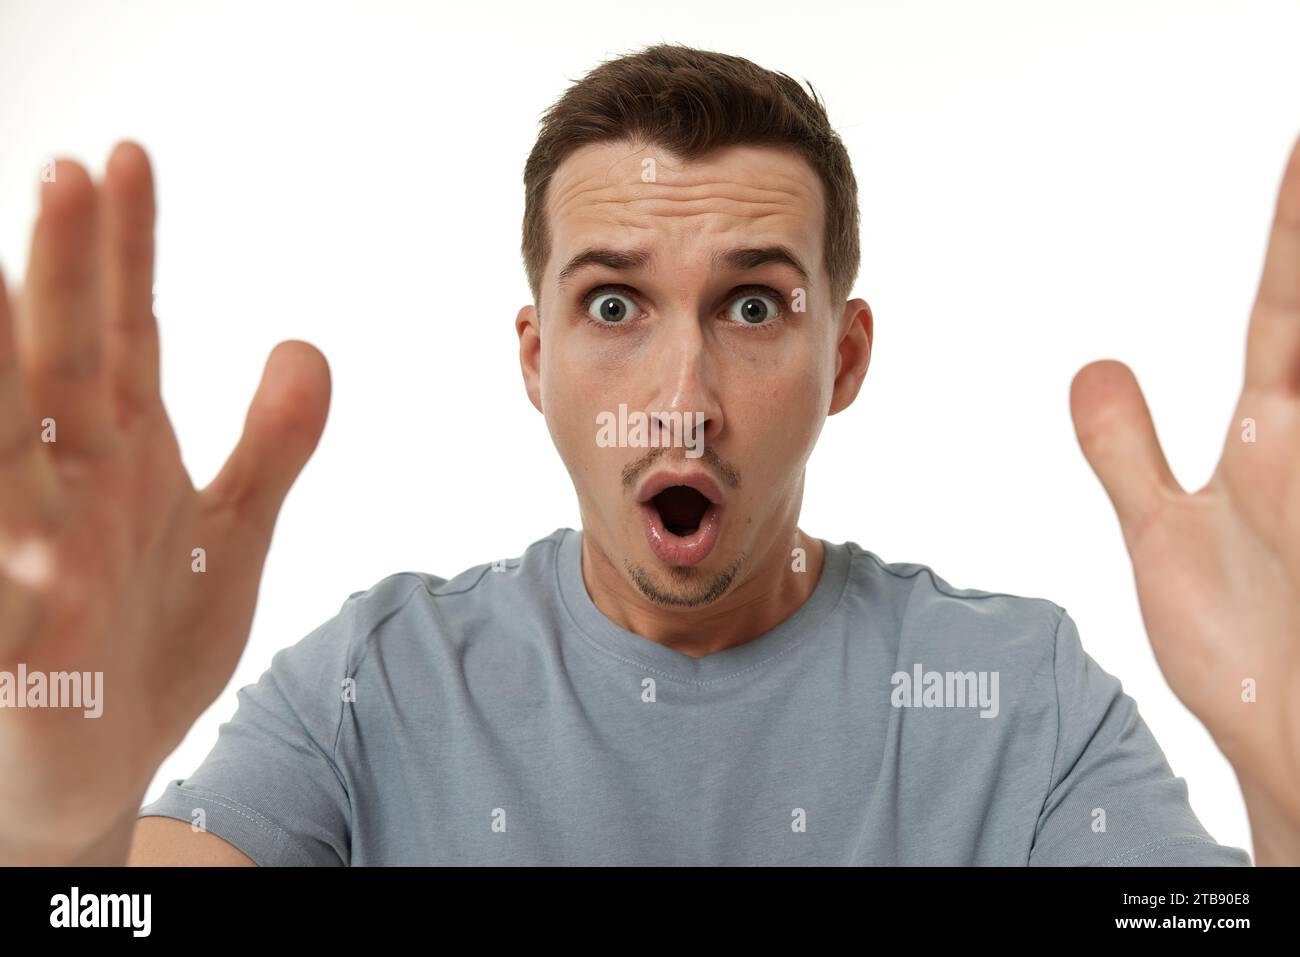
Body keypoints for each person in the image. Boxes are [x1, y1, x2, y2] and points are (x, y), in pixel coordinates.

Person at [1, 43, 1296, 866]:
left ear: (843, 358)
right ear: (535, 358)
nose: (682, 403)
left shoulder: (1020, 696)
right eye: (615, 305)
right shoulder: (377, 684)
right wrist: (57, 841)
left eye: (751, 305)